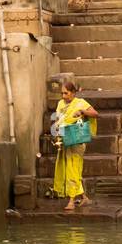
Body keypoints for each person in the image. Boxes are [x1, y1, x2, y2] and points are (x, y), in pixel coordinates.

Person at [52, 79, 98, 211]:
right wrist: (55, 130)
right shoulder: (60, 103)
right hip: (65, 140)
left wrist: (83, 112)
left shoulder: (80, 103)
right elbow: (57, 119)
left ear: (73, 93)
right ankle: (84, 197)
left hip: (77, 142)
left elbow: (95, 114)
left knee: (73, 169)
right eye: (62, 93)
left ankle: (71, 200)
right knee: (70, 169)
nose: (63, 96)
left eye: (66, 93)